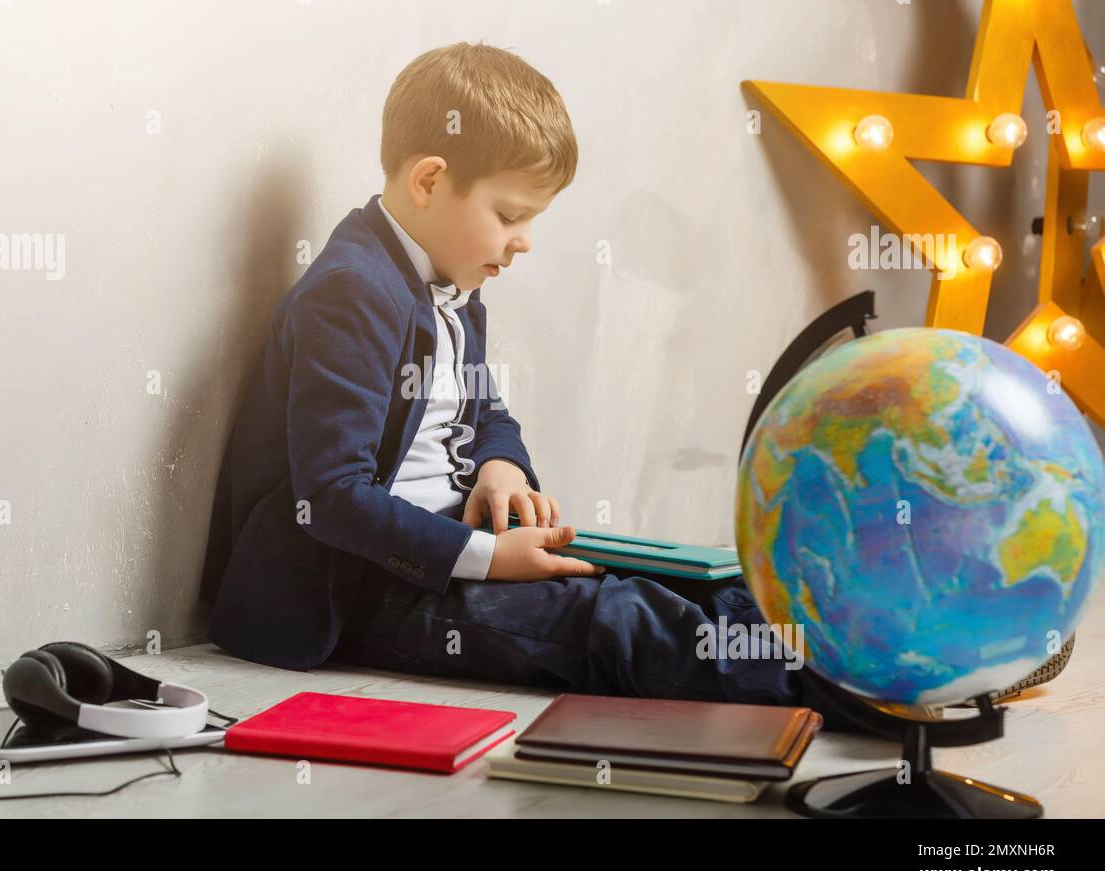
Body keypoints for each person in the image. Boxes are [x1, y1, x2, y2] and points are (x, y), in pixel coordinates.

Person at [208, 42, 859, 730]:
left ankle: (860, 646)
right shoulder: (351, 292)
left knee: (686, 583)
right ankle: (853, 695)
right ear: (429, 181)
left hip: (458, 541)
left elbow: (486, 409)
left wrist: (498, 464)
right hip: (373, 588)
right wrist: (488, 560)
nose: (524, 242)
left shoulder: (454, 280)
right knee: (615, 621)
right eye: (512, 215)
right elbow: (332, 497)